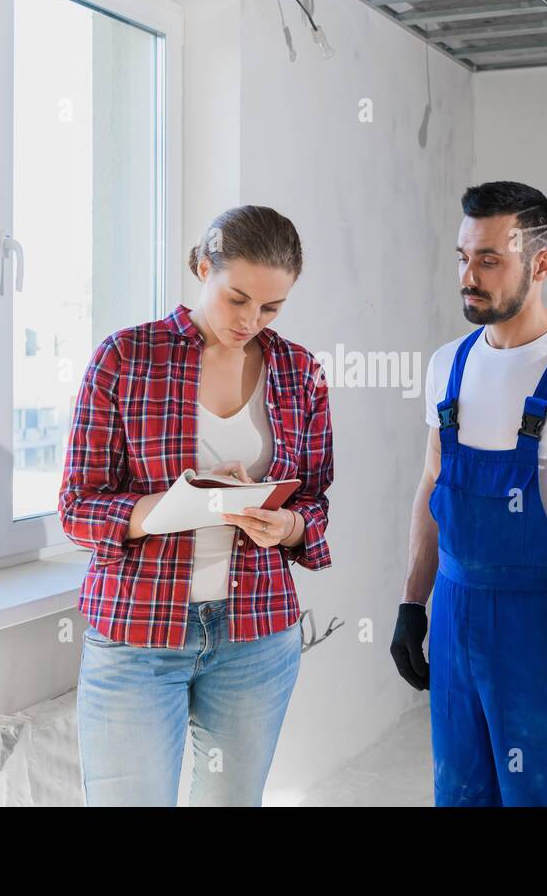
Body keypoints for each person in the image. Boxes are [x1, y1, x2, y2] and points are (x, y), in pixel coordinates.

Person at [59, 205, 333, 806]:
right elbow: (78, 507)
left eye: (271, 307)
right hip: (136, 634)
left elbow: (313, 503)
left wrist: (284, 524)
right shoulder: (126, 359)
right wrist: (184, 501)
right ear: (203, 267)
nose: (251, 320)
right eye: (237, 299)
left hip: (256, 636)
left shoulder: (300, 371)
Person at [391, 181, 547, 806]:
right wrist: (411, 604)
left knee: (545, 797)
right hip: (454, 614)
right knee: (459, 793)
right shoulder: (448, 364)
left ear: (540, 264)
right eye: (462, 257)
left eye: (488, 260)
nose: (468, 276)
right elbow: (433, 484)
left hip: (544, 624)